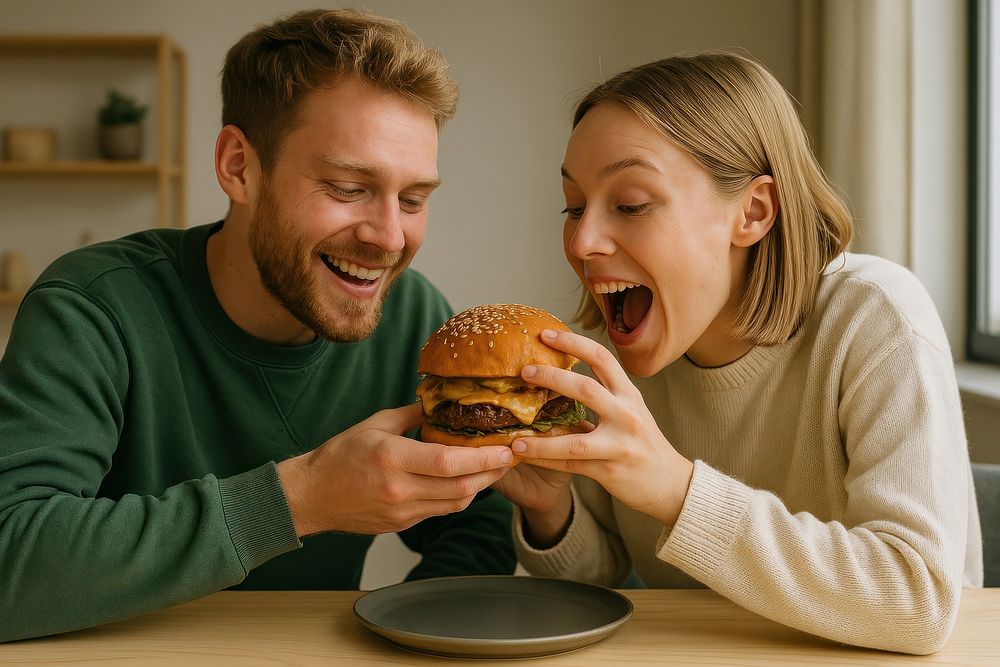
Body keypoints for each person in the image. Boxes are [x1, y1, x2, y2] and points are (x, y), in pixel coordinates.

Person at [0, 9, 516, 643]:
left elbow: (475, 529)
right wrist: (301, 498)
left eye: (413, 200)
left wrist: (406, 639)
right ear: (239, 166)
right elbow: (11, 558)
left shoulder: (411, 316)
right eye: (349, 187)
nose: (389, 237)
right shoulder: (92, 307)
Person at [492, 52, 982, 655]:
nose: (583, 241)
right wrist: (552, 510)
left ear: (752, 211)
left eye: (630, 204)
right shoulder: (603, 356)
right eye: (573, 206)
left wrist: (674, 488)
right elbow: (602, 581)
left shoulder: (875, 318)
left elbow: (918, 602)